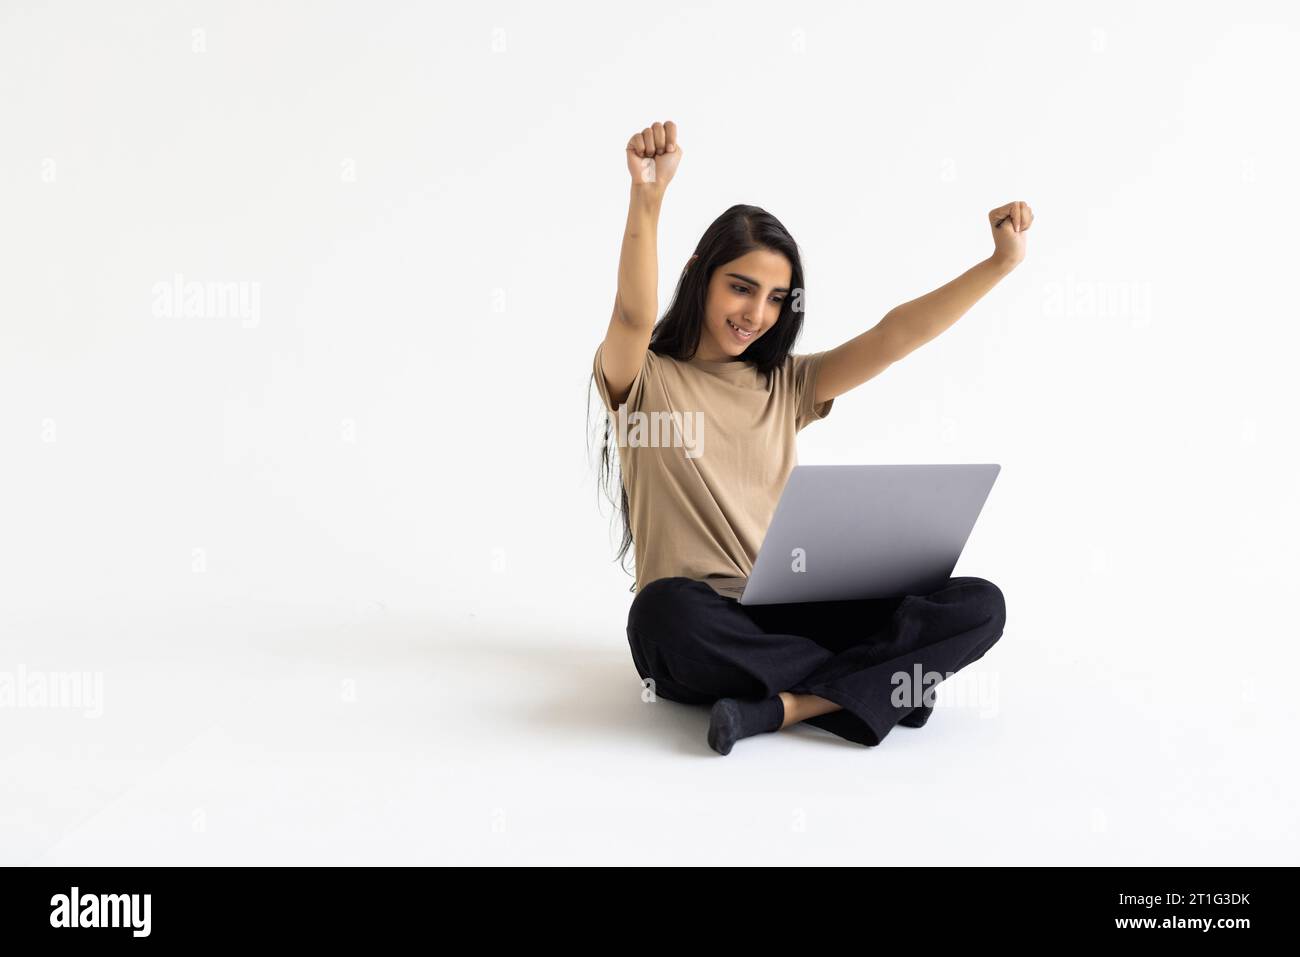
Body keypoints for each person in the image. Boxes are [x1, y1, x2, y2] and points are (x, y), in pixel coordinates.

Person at [590, 119, 1032, 755]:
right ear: (700, 274)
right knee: (662, 618)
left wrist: (1000, 264)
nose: (756, 315)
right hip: (702, 620)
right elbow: (633, 313)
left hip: (789, 609)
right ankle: (882, 683)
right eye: (740, 288)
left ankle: (783, 708)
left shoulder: (787, 385)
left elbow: (895, 336)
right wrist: (648, 197)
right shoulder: (641, 379)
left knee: (979, 604)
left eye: (775, 298)